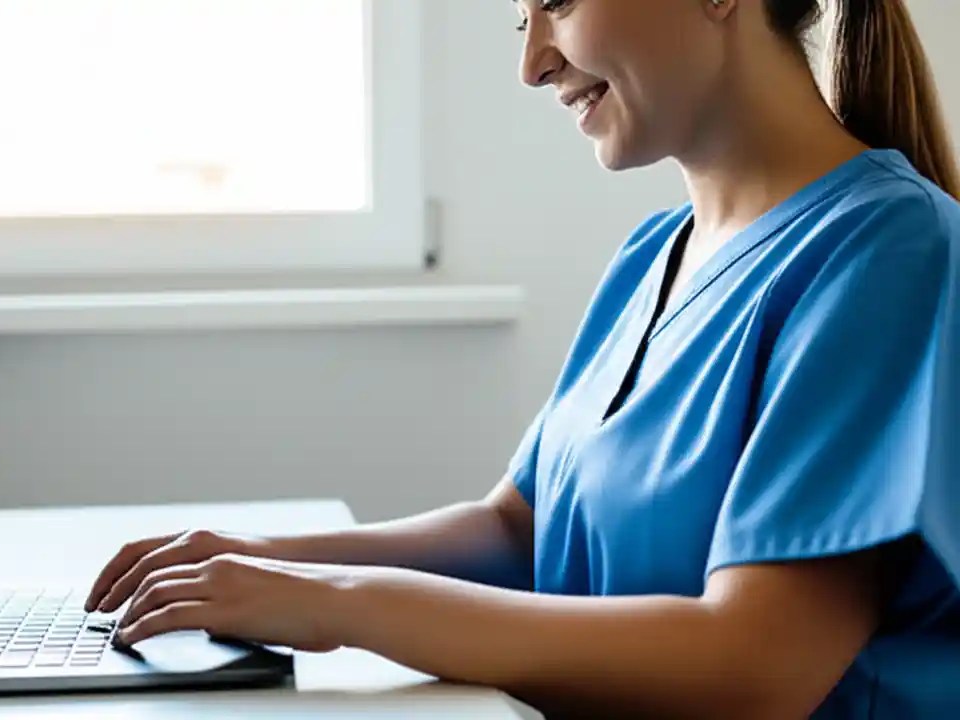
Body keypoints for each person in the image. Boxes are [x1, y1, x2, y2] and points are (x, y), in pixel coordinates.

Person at [84, 0, 960, 716]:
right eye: (521, 20)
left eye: (558, 4)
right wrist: (265, 560)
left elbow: (760, 666)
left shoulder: (890, 251)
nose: (534, 62)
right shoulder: (654, 255)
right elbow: (519, 531)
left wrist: (342, 605)